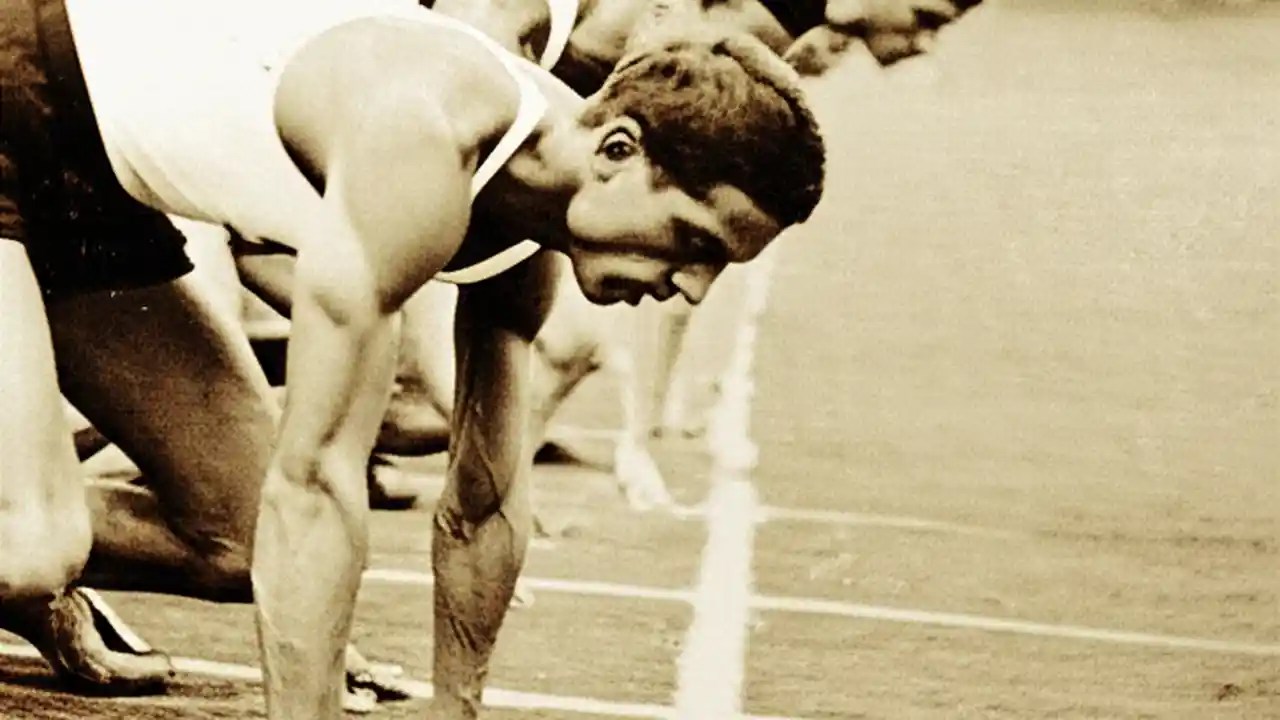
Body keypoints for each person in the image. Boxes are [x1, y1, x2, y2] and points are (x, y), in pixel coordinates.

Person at [5, 1, 826, 717]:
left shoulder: (539, 214)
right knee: (31, 548)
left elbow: (484, 502)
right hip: (17, 87)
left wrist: (454, 710)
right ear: (617, 150)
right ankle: (33, 553)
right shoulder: (424, 142)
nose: (689, 291)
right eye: (691, 243)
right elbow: (317, 477)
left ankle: (34, 547)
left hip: (98, 186)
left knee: (238, 538)